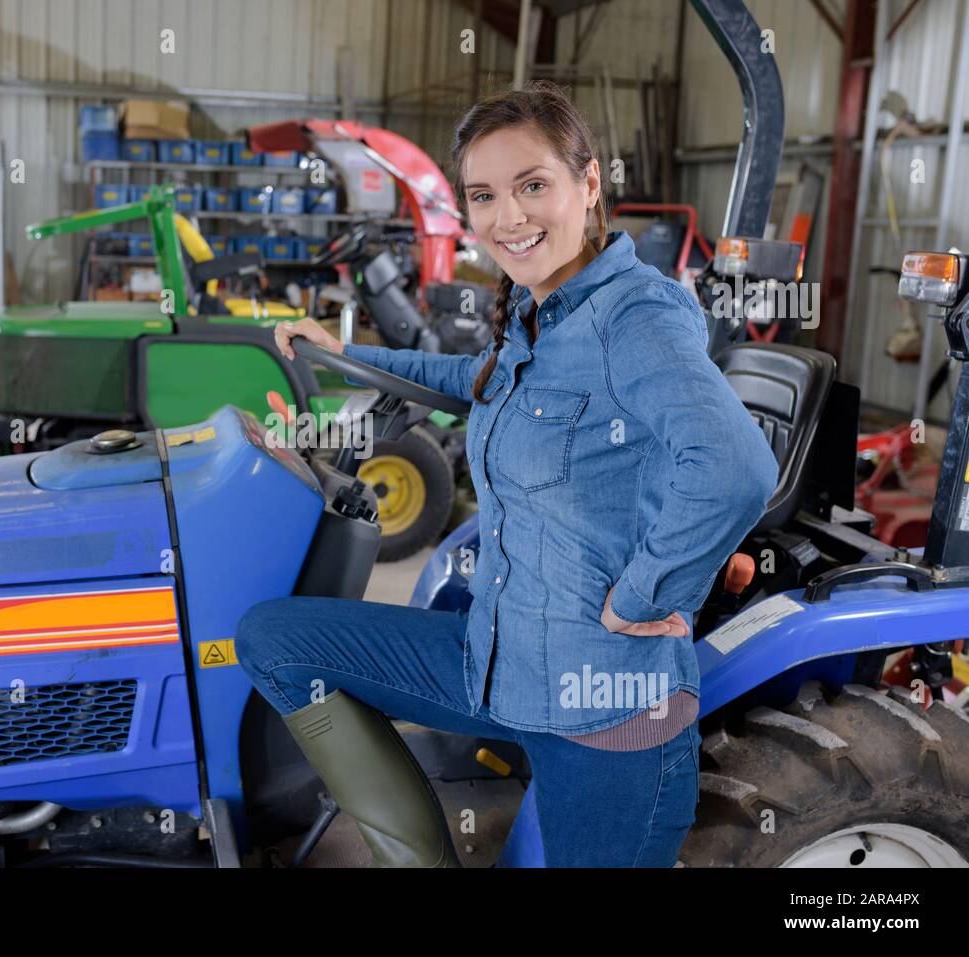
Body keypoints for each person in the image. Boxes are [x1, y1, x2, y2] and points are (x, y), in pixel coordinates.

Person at [234, 80, 780, 867]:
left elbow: (734, 467)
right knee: (272, 637)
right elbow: (475, 379)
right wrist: (347, 352)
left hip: (603, 712)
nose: (509, 218)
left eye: (533, 186)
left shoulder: (634, 315)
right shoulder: (539, 309)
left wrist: (644, 594)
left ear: (589, 185)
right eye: (484, 196)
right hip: (498, 663)